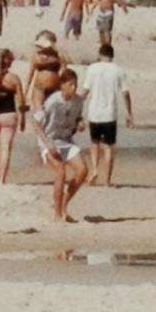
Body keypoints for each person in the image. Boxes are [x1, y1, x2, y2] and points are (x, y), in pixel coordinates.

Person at [40, 67, 91, 221]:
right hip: (49, 140)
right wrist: (48, 143)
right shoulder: (53, 101)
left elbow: (78, 118)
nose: (74, 88)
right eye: (70, 84)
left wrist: (81, 123)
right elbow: (35, 122)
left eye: (75, 84)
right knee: (61, 172)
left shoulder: (78, 101)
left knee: (83, 170)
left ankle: (63, 205)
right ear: (62, 85)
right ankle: (56, 214)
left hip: (66, 140)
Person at [81, 40, 133, 188]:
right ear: (112, 56)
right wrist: (129, 113)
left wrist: (77, 107)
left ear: (100, 54)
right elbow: (126, 93)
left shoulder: (92, 69)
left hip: (94, 113)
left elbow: (85, 91)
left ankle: (95, 170)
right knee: (108, 147)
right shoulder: (118, 70)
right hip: (109, 114)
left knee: (94, 144)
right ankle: (107, 181)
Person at [0, 48, 27, 183]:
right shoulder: (14, 79)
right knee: (6, 147)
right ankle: (2, 179)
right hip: (9, 115)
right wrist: (23, 120)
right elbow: (21, 102)